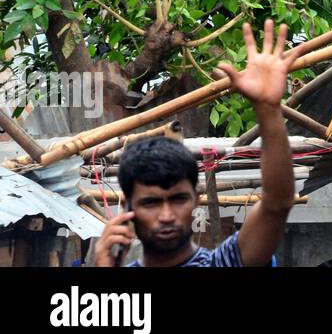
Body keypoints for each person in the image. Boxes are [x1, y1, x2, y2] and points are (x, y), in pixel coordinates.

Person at [93, 19, 303, 267]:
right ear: (128, 207)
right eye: (150, 202)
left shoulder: (223, 264)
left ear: (196, 198)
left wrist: (268, 109)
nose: (167, 216)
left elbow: (277, 203)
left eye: (178, 199)